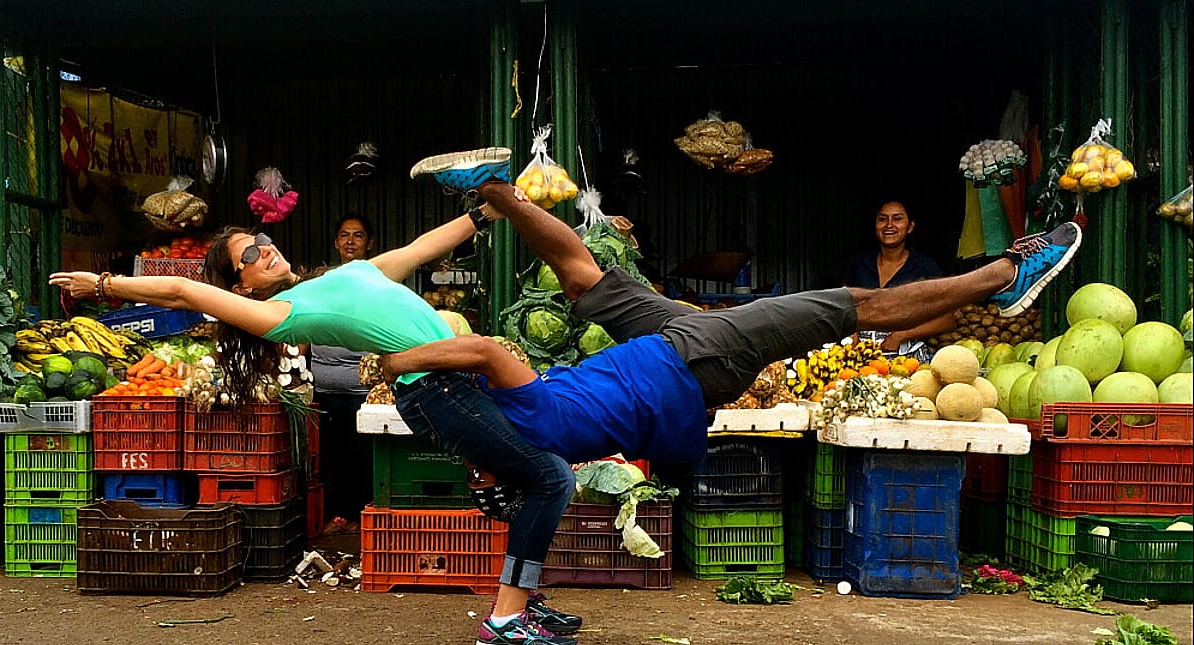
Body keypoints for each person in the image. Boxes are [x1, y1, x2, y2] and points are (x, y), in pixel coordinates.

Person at [49, 166, 585, 645]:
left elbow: (421, 248)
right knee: (549, 477)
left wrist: (482, 214)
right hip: (435, 391)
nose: (264, 250)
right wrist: (101, 285)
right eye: (249, 255)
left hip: (453, 381)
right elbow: (187, 291)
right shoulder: (280, 314)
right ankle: (508, 619)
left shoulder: (342, 276)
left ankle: (521, 601)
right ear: (240, 287)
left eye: (261, 240)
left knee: (538, 479)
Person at [383, 151, 1083, 468]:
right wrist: (404, 359)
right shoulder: (501, 418)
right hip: (692, 360)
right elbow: (483, 351)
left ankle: (498, 194)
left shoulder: (493, 420)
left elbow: (478, 356)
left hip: (669, 346)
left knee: (582, 278)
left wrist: (408, 363)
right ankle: (1004, 274)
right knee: (854, 305)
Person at [304, 213, 378, 534]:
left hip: (362, 391)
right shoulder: (322, 281)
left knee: (363, 457)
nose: (350, 241)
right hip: (324, 390)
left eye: (358, 236)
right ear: (336, 242)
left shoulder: (376, 281)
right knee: (331, 458)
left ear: (369, 243)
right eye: (344, 235)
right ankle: (337, 516)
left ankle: (362, 514)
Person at [843, 200, 954, 362]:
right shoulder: (859, 264)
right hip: (861, 359)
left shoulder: (924, 268)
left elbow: (946, 321)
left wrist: (901, 335)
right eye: (882, 219)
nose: (889, 225)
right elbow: (845, 308)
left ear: (910, 226)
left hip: (908, 360)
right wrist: (851, 334)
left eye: (897, 219)